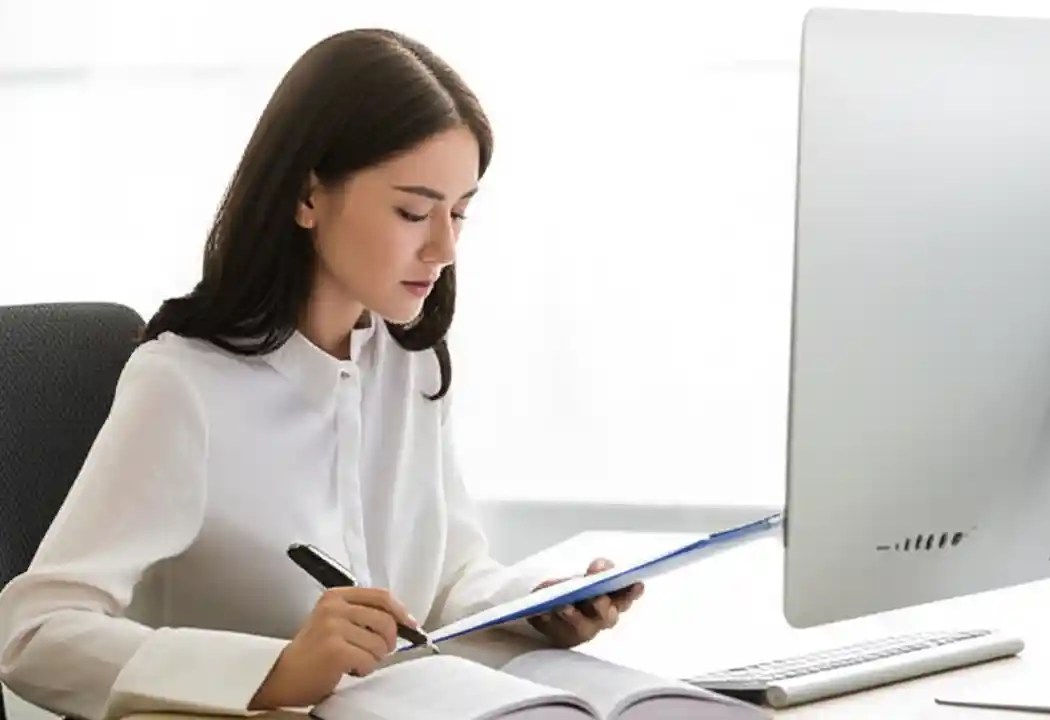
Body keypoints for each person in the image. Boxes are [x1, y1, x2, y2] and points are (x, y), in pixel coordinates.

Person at [0, 28, 643, 720]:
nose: (445, 247)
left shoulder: (411, 364)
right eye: (414, 211)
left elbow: (450, 580)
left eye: (459, 212)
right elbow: (35, 635)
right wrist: (275, 670)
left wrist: (538, 604)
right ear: (308, 196)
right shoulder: (184, 385)